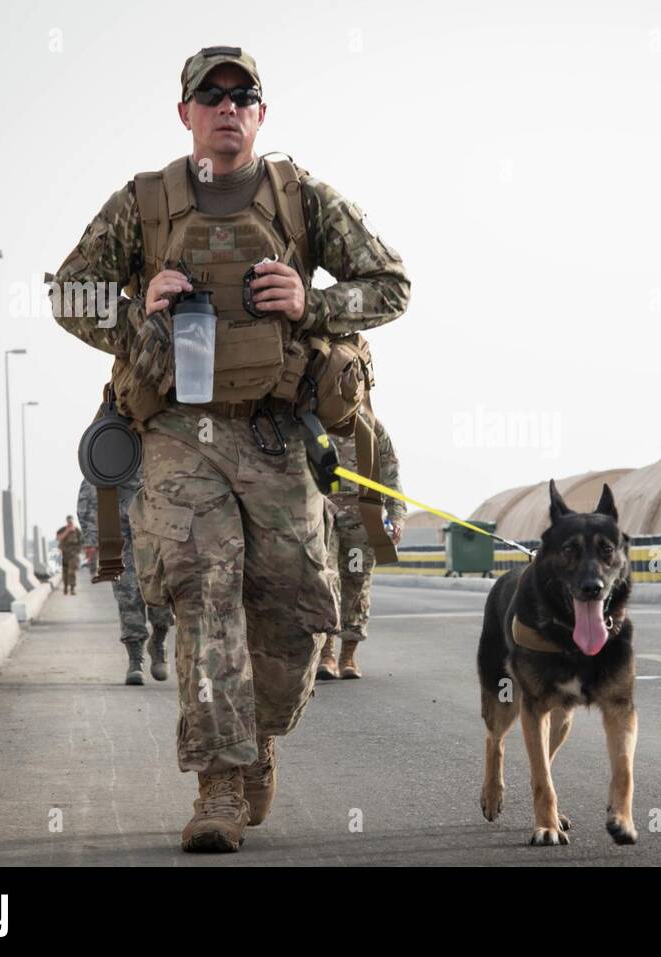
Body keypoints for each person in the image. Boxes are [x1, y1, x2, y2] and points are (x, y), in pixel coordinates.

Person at [47, 45, 409, 853]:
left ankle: (261, 738)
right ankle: (216, 783)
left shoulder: (301, 197)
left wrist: (313, 302)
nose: (226, 108)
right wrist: (136, 308)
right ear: (185, 114)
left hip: (277, 431)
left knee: (293, 617)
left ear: (260, 112)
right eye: (209, 97)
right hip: (179, 432)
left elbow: (392, 285)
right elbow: (68, 293)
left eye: (242, 95)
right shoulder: (142, 204)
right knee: (205, 590)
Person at [320, 417, 405, 680]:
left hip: (363, 516)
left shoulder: (372, 428)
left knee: (357, 583)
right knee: (325, 580)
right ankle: (326, 653)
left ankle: (348, 656)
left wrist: (397, 516)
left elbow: (390, 474)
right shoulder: (315, 421)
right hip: (323, 513)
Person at [78, 471, 176, 685]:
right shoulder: (112, 443)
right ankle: (135, 659)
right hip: (118, 532)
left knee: (161, 592)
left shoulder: (158, 443)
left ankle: (159, 639)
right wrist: (91, 536)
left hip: (157, 530)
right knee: (127, 596)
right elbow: (91, 480)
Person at [56, 515, 83, 595]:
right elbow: (58, 538)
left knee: (72, 571)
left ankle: (72, 588)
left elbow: (81, 542)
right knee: (65, 572)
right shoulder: (62, 529)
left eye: (71, 521)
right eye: (68, 522)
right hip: (64, 554)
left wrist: (79, 551)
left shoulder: (77, 530)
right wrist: (67, 531)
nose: (70, 523)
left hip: (74, 555)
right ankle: (65, 587)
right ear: (66, 522)